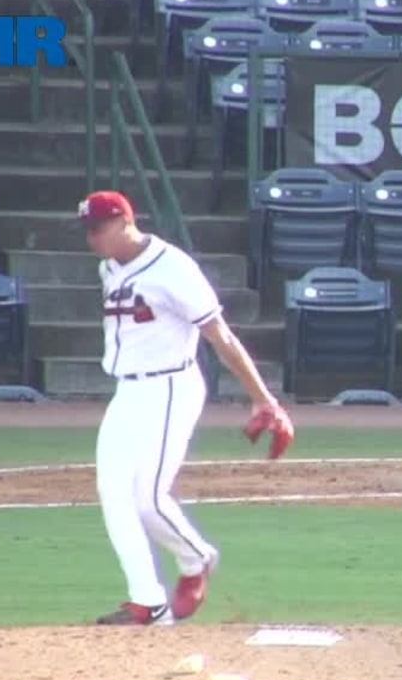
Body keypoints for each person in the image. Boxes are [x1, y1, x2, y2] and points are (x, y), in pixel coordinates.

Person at [80, 190, 295, 626]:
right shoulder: (109, 267)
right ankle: (148, 601)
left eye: (98, 229)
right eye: (87, 231)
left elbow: (221, 336)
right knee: (113, 492)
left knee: (147, 499)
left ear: (124, 221)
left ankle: (196, 559)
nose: (91, 239)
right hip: (128, 391)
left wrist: (264, 399)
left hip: (170, 388)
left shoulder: (173, 268)